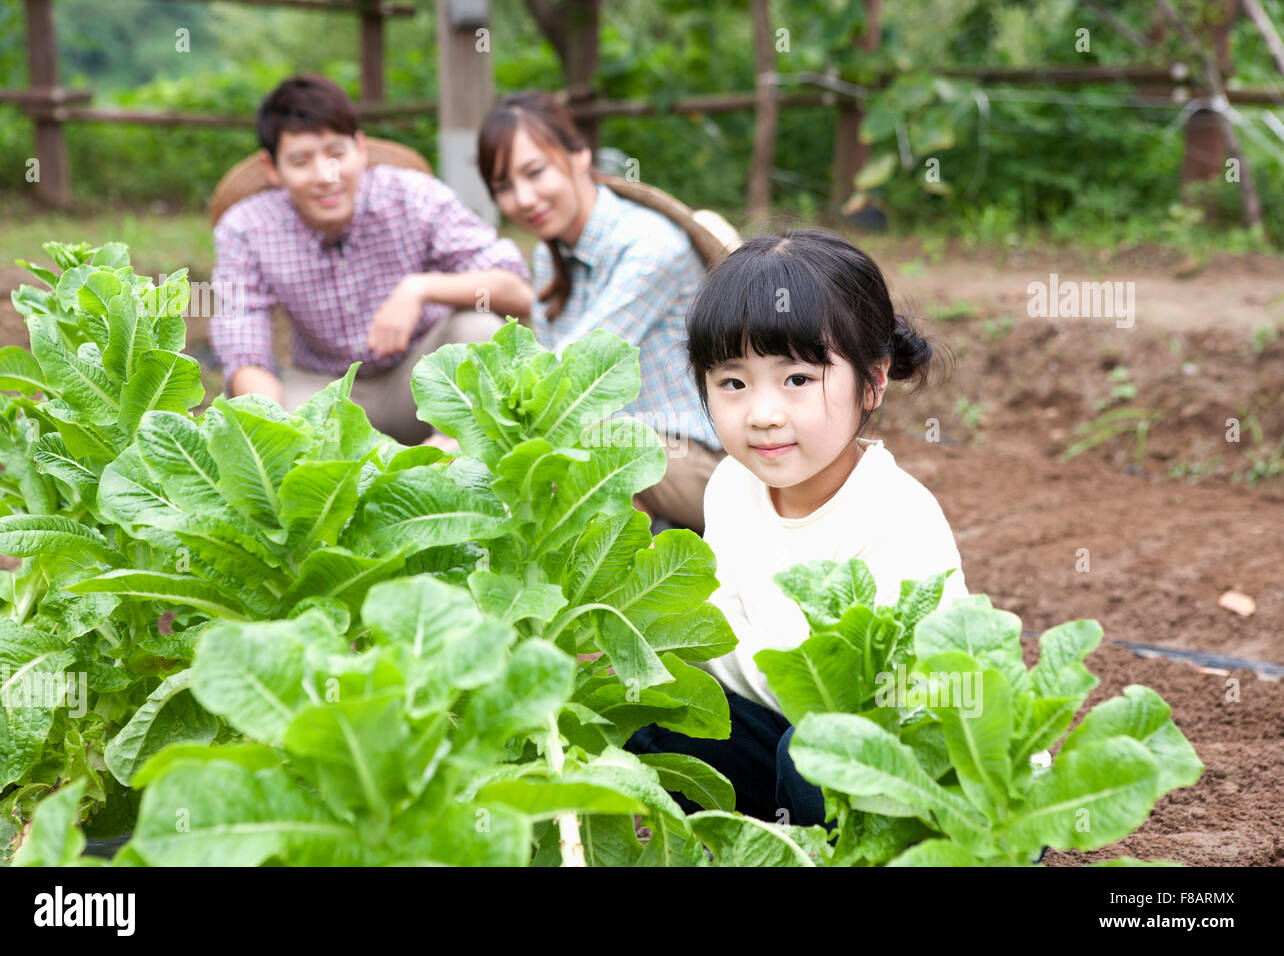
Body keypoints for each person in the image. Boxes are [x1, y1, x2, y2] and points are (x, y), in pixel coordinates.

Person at [624, 230, 970, 829]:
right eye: (733, 383)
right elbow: (726, 631)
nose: (762, 414)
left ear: (873, 381)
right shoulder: (731, 484)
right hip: (797, 724)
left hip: (926, 773)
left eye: (798, 380)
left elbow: (845, 701)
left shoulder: (896, 516)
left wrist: (681, 631)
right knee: (657, 716)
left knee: (816, 754)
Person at [208, 74, 533, 447]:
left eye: (336, 154)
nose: (324, 177)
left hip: (424, 380)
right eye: (300, 161)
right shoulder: (245, 227)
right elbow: (245, 344)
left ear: (360, 149)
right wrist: (272, 434)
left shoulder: (412, 195)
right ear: (273, 169)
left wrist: (419, 289)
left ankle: (456, 453)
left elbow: (517, 288)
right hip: (326, 391)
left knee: (478, 328)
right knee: (283, 430)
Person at [476, 90, 724, 535]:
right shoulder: (551, 256)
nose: (524, 198)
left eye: (535, 172)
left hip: (703, 461)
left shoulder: (648, 246)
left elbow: (569, 374)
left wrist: (471, 431)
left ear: (578, 155)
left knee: (579, 451)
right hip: (627, 445)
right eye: (504, 187)